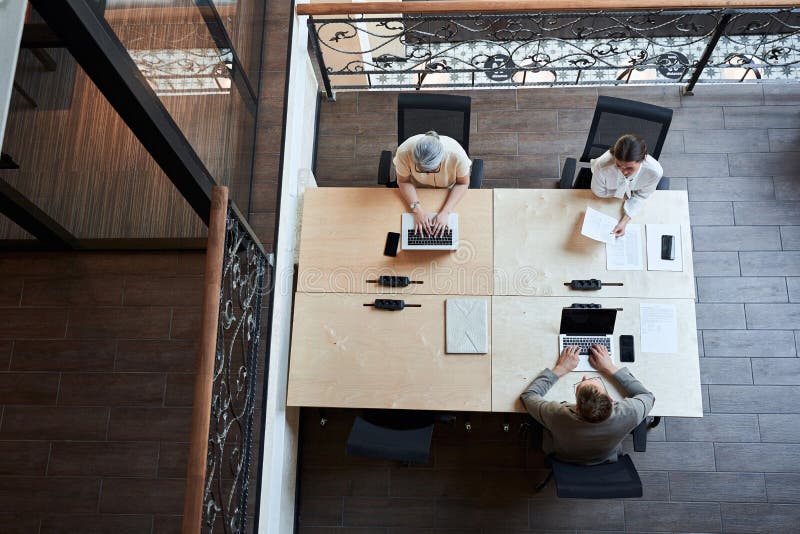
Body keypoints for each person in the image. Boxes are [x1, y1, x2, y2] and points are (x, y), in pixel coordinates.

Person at [520, 344, 655, 465]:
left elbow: (529, 396)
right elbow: (647, 396)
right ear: (610, 399)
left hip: (564, 457)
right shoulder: (629, 413)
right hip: (606, 458)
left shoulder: (557, 415)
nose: (585, 377)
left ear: (577, 407)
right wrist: (610, 367)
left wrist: (560, 368)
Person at [394, 131, 471, 236]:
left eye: (432, 170)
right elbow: (403, 181)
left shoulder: (457, 155)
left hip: (448, 190)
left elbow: (463, 183)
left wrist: (446, 212)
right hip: (417, 190)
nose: (428, 174)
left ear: (441, 160)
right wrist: (417, 210)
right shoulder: (404, 153)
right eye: (422, 170)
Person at [590, 134, 664, 237]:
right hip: (607, 200)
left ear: (643, 159)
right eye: (618, 165)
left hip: (618, 198)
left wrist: (624, 222)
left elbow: (641, 196)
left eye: (629, 168)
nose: (623, 171)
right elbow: (599, 192)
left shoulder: (654, 171)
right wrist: (623, 192)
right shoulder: (602, 167)